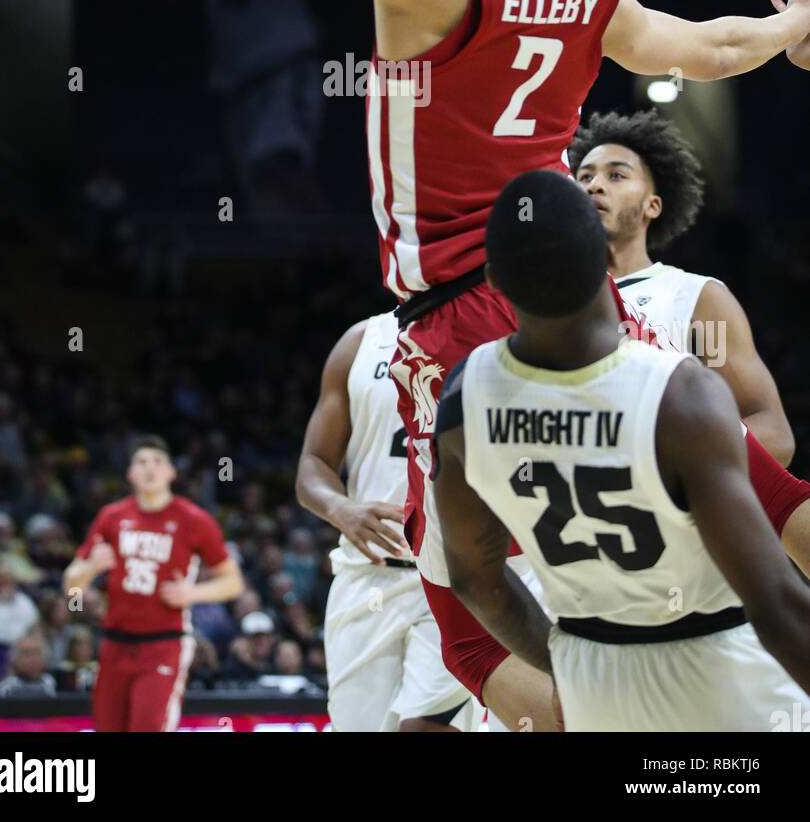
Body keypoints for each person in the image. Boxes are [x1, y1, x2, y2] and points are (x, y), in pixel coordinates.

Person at [45, 0, 810, 727]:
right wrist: (800, 27)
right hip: (593, 312)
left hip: (463, 324)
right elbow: (707, 49)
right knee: (756, 497)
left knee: (462, 619)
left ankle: (604, 710)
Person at [434, 169, 810, 731]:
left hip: (595, 683)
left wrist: (560, 659)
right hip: (723, 679)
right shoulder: (680, 392)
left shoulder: (464, 397)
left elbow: (471, 579)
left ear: (493, 280)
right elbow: (774, 600)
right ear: (605, 265)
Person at [570, 110, 793, 461]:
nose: (594, 185)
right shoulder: (544, 300)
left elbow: (775, 435)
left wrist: (667, 454)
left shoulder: (694, 295)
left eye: (616, 175)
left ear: (652, 205)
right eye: (583, 177)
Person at [297, 313, 478, 732]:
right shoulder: (360, 341)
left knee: (427, 725)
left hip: (453, 577)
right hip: (369, 574)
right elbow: (313, 463)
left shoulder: (486, 326)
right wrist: (340, 509)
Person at [63, 435, 243, 732]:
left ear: (171, 472)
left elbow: (233, 582)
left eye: (158, 462)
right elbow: (71, 588)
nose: (150, 468)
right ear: (130, 473)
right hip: (114, 644)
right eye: (142, 462)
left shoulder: (193, 519)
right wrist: (92, 567)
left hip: (164, 643)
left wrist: (192, 593)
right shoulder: (111, 517)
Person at [0, 566, 39, 646]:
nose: (6, 580)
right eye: (2, 577)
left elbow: (33, 624)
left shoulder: (24, 601)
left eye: (8, 577)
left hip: (22, 646)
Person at [0, 634, 56, 698]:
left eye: (37, 653)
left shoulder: (49, 682)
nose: (34, 659)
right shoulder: (7, 688)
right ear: (15, 660)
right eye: (28, 654)